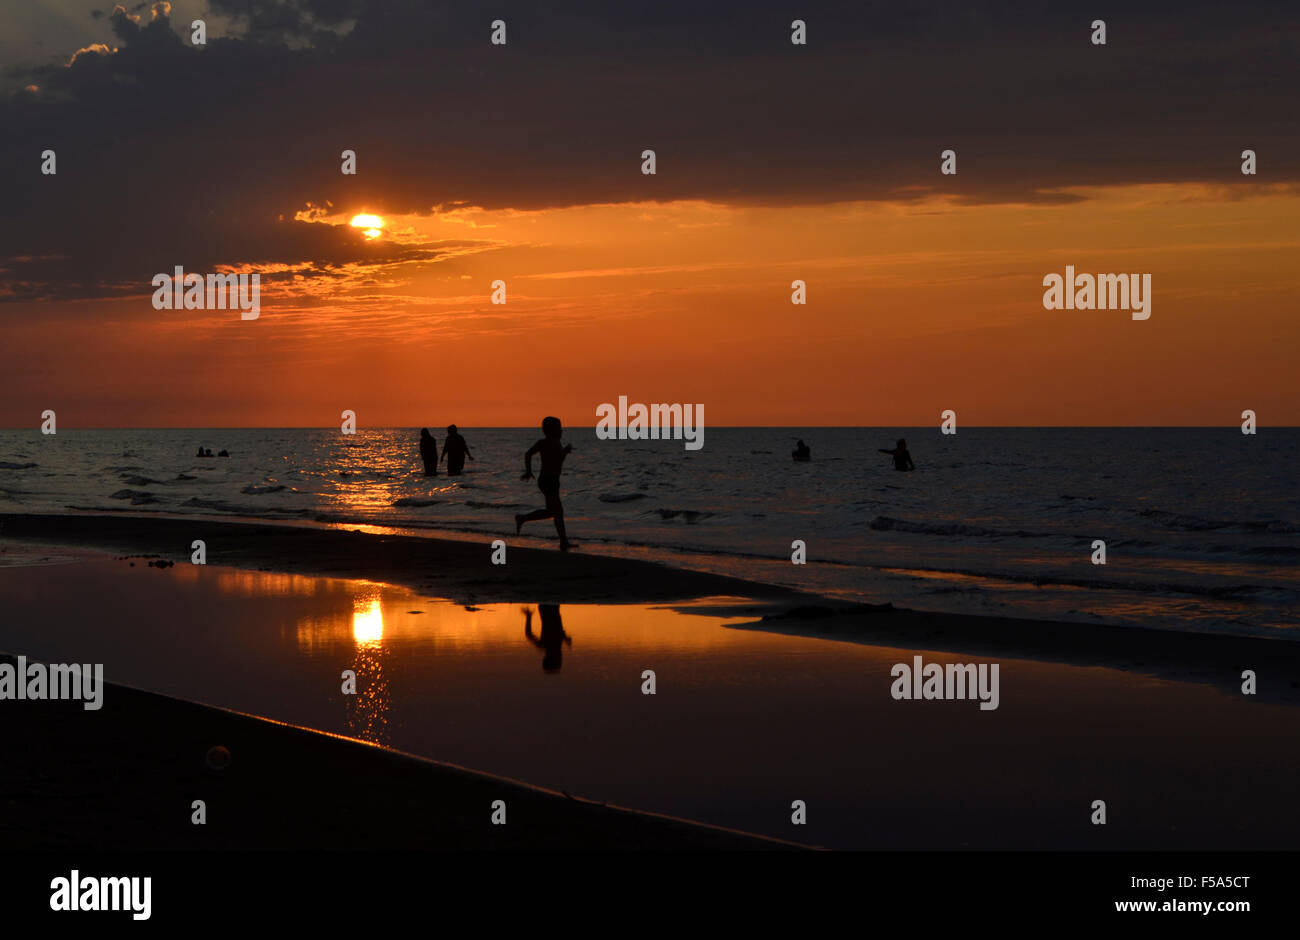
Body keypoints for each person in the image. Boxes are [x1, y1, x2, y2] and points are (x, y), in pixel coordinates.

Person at [515, 416, 573, 550]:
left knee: (556, 511)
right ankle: (522, 518)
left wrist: (529, 471)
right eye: (559, 428)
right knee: (554, 511)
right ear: (553, 430)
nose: (561, 431)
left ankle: (564, 541)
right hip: (550, 480)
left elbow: (528, 454)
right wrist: (565, 452)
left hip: (545, 480)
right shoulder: (555, 443)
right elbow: (558, 461)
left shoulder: (543, 442)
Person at [524, 604, 571, 673]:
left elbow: (559, 631)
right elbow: (528, 634)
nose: (561, 658)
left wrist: (566, 638)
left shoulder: (549, 645)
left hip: (550, 608)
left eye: (559, 660)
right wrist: (529, 616)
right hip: (545, 609)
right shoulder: (546, 646)